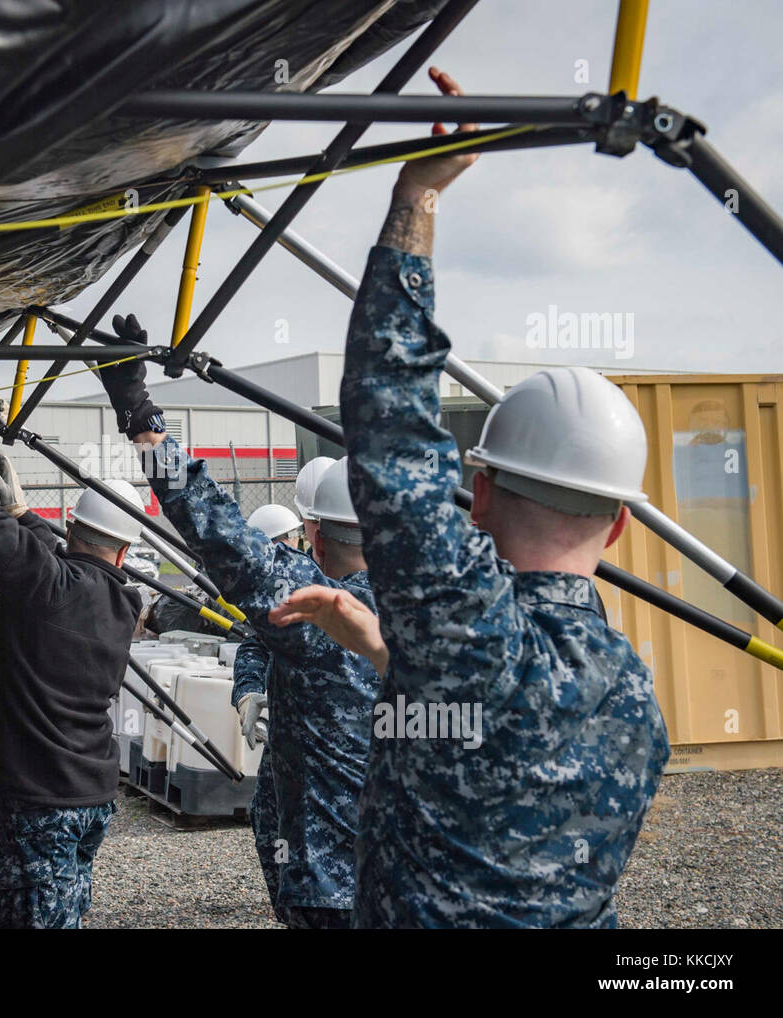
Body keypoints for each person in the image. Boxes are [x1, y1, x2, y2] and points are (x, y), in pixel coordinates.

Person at [273, 67, 669, 928]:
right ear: (622, 524)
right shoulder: (635, 697)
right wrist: (389, 653)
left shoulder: (468, 628)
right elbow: (485, 728)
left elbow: (389, 418)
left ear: (479, 493)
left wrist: (418, 194)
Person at [99, 325, 382, 929]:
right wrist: (253, 686)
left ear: (316, 535)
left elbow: (221, 534)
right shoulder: (443, 611)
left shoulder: (321, 614)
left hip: (331, 885)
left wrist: (143, 421)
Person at [0, 397, 142, 929]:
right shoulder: (125, 605)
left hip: (43, 799)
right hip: (82, 792)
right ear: (124, 554)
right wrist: (22, 514)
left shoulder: (51, 585)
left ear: (71, 527)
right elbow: (54, 561)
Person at [232, 503, 301, 920]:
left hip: (338, 736)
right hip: (287, 733)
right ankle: (288, 907)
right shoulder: (277, 590)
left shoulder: (324, 584)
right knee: (268, 822)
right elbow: (255, 644)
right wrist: (248, 691)